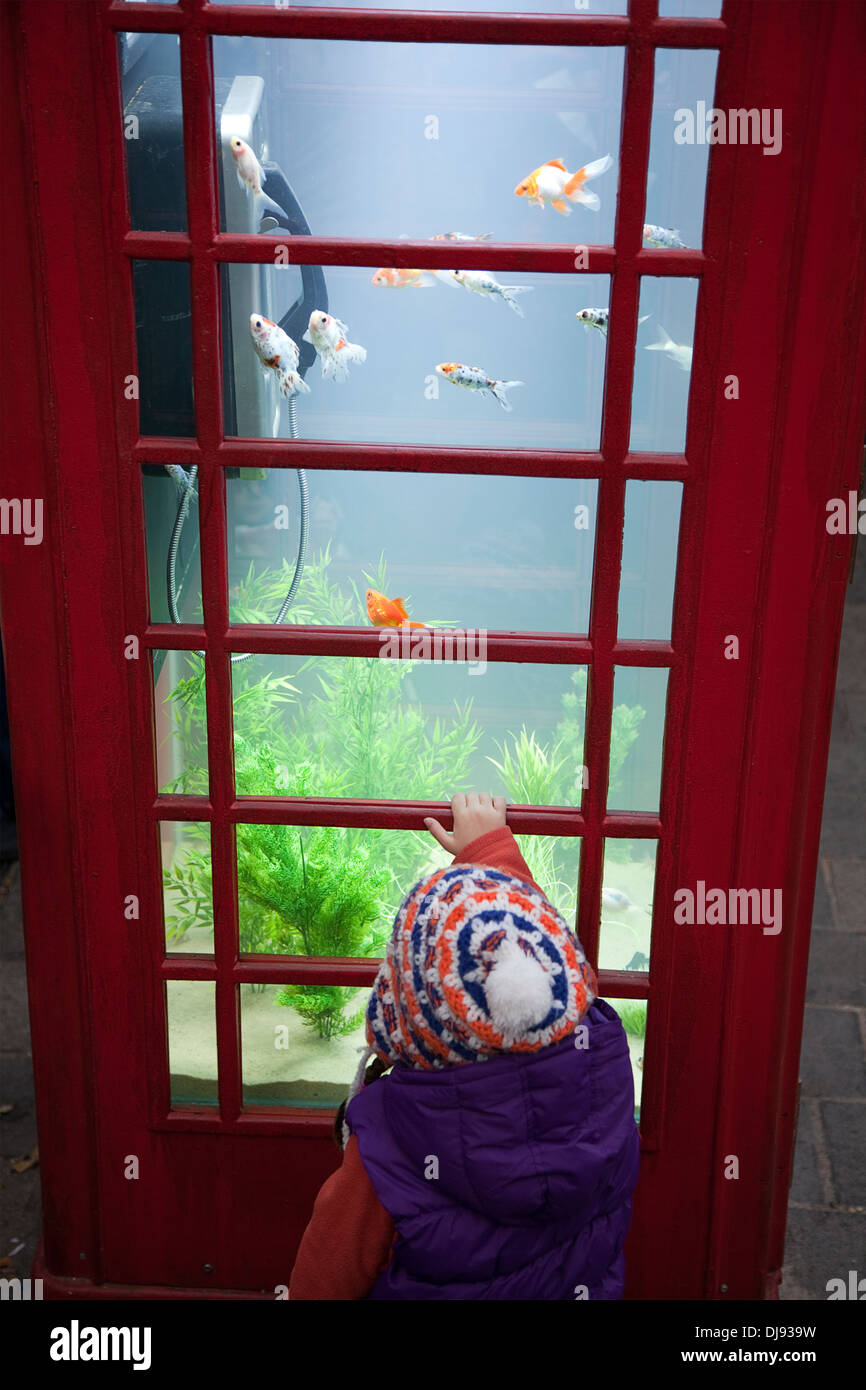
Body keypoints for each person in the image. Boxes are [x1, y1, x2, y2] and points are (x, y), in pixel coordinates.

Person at [289, 792, 640, 1300]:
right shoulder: (604, 1066)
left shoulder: (392, 1129)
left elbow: (326, 1276)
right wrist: (493, 849)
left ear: (408, 1011)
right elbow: (537, 970)